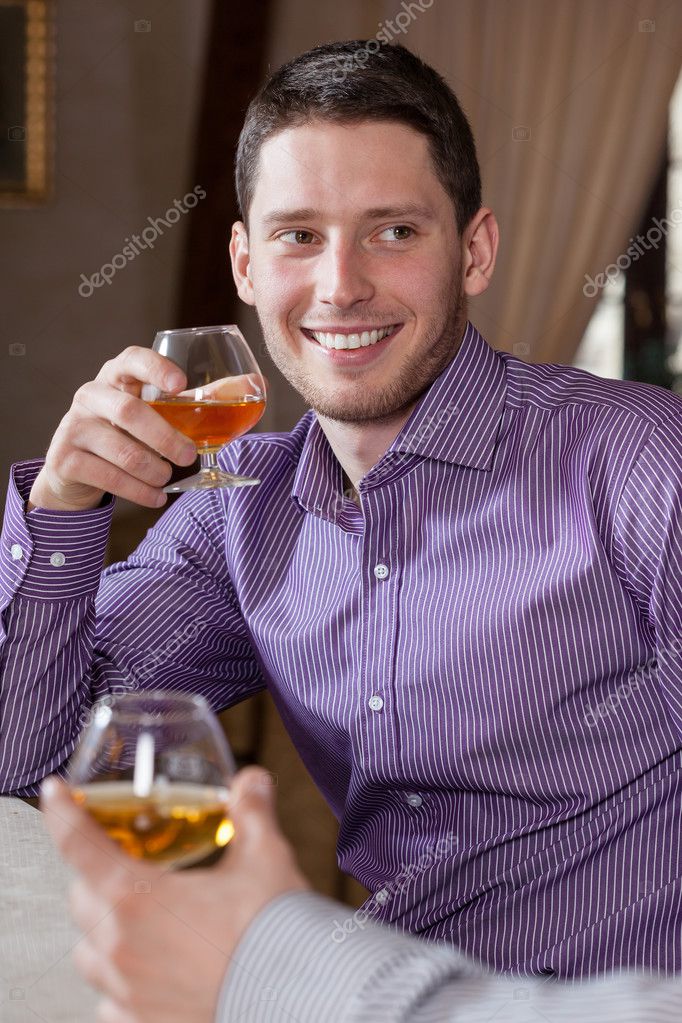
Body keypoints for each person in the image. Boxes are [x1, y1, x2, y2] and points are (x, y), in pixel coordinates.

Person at [2, 39, 681, 977]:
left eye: (393, 231)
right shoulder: (238, 510)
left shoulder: (642, 460)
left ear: (475, 251)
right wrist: (62, 507)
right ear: (246, 264)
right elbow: (27, 763)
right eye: (299, 236)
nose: (341, 286)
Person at [40, 769, 682, 1023]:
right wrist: (62, 523)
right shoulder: (249, 519)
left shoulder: (644, 513)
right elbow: (33, 757)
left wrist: (283, 971)